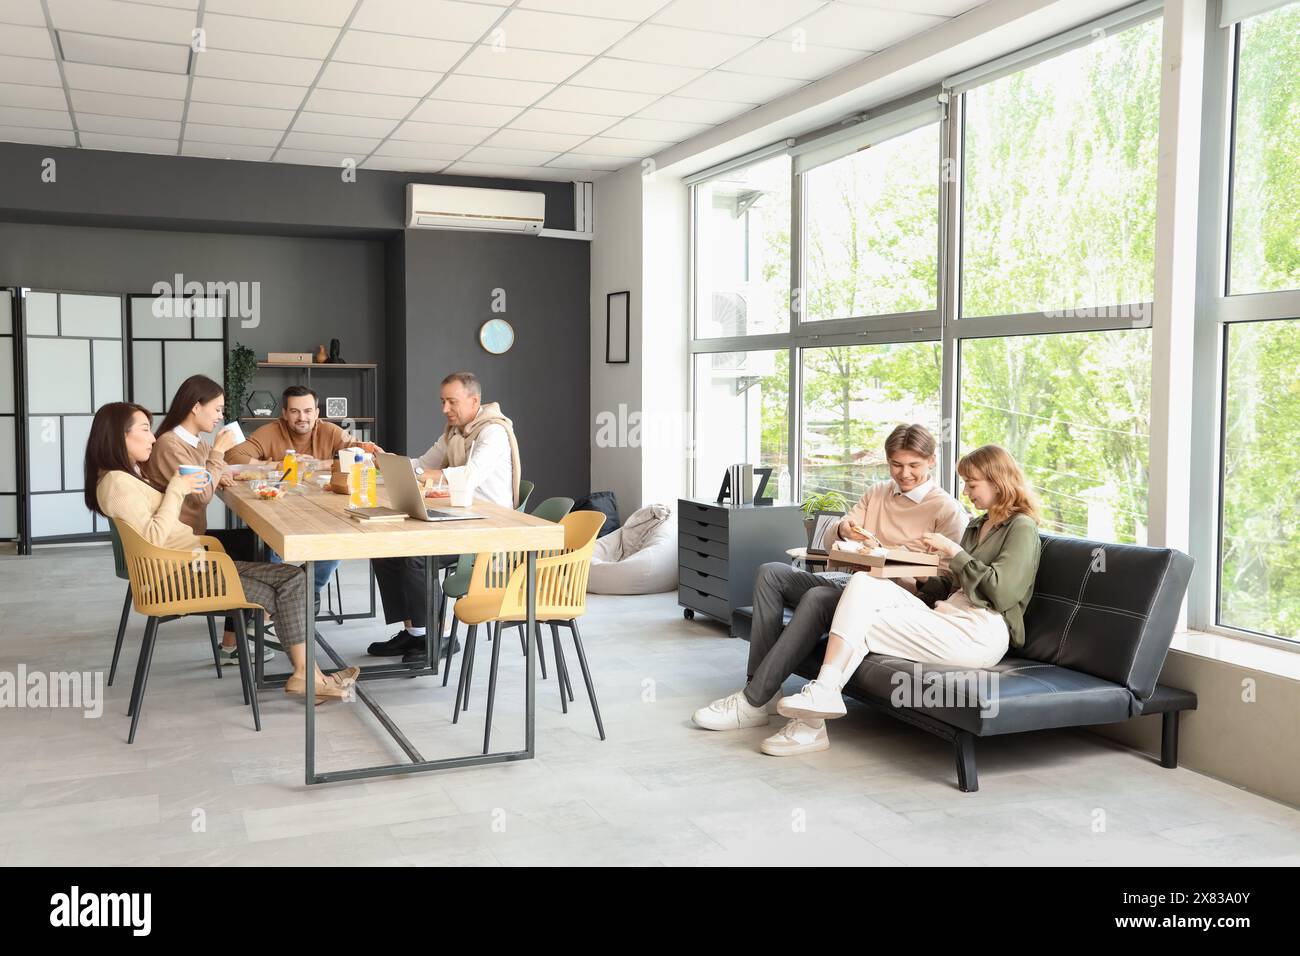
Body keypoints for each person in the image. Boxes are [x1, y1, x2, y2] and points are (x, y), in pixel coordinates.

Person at [692, 424, 969, 753]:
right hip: (850, 581)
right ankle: (760, 690)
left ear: (932, 461)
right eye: (896, 464)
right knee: (771, 572)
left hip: (893, 599)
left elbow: (947, 578)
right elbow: (831, 542)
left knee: (818, 596)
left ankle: (751, 701)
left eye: (914, 466)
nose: (904, 474)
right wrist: (842, 528)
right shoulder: (877, 493)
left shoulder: (946, 509)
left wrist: (902, 568)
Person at [768, 444, 1042, 755]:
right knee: (863, 585)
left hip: (981, 631)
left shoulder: (1022, 527)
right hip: (947, 617)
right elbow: (954, 585)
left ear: (998, 481)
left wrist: (955, 553)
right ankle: (822, 698)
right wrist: (922, 580)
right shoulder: (978, 524)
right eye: (965, 482)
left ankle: (813, 720)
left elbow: (1003, 592)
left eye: (972, 483)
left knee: (858, 621)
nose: (966, 491)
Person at [86, 401, 358, 700]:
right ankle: (310, 676)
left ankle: (308, 675)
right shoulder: (116, 483)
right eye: (145, 430)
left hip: (195, 564)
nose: (152, 437)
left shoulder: (126, 477)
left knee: (293, 579)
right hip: (175, 576)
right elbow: (153, 538)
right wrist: (177, 488)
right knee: (286, 591)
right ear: (118, 436)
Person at [367, 372, 522, 664]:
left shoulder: (493, 433)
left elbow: (468, 476)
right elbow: (422, 465)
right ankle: (415, 633)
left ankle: (442, 637)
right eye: (442, 401)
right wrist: (385, 459)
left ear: (474, 400)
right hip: (459, 517)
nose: (444, 409)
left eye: (452, 402)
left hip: (488, 529)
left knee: (416, 556)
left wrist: (421, 474)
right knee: (384, 548)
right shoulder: (454, 432)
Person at [142, 373, 273, 666]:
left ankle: (246, 630)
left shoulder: (195, 442)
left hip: (190, 534)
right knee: (247, 549)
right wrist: (217, 453)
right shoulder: (170, 445)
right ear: (195, 407)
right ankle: (240, 636)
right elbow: (201, 496)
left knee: (250, 543)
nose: (220, 416)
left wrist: (217, 467)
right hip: (176, 546)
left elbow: (213, 474)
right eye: (217, 409)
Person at [226, 384, 383, 597]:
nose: (302, 417)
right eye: (295, 411)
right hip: (276, 509)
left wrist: (319, 464)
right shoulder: (271, 431)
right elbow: (234, 457)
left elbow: (357, 452)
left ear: (317, 413)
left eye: (308, 411)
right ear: (284, 413)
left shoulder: (329, 431)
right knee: (263, 536)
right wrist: (280, 465)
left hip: (322, 510)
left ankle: (304, 591)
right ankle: (283, 591)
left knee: (338, 536)